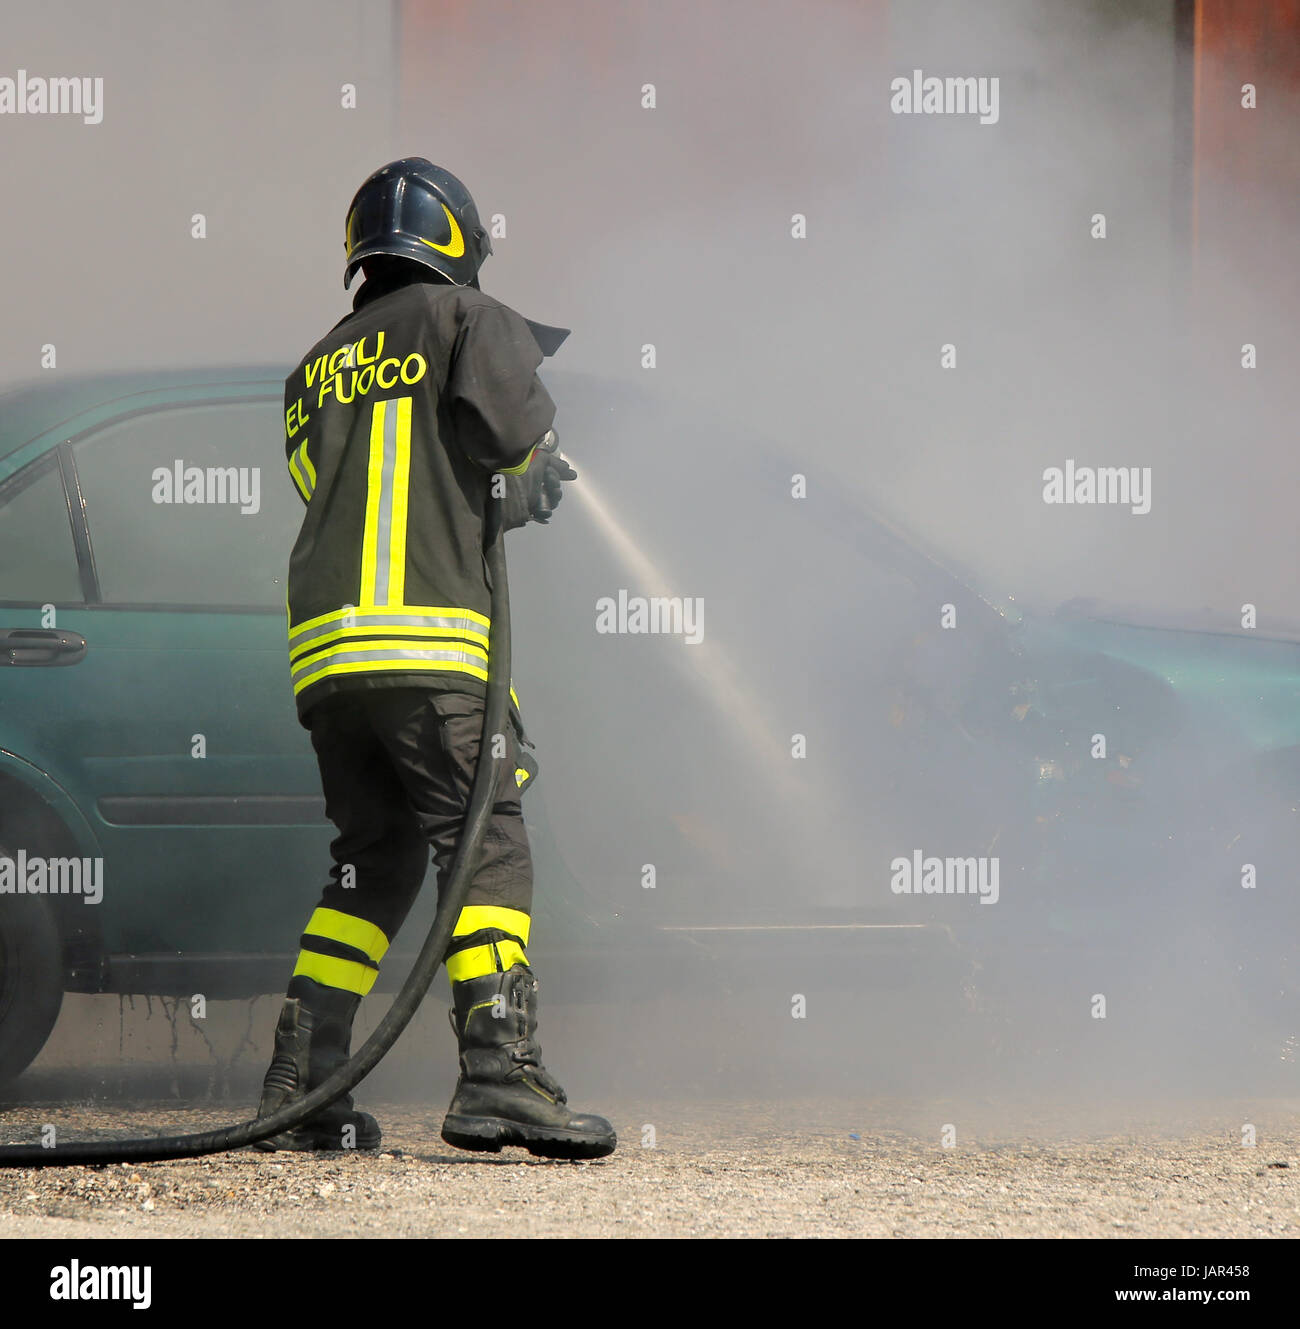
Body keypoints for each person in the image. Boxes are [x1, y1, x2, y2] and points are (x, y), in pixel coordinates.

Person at [253, 157, 615, 1160]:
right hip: (429, 642)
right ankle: (499, 1072)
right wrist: (537, 479)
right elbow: (509, 441)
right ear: (457, 246)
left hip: (328, 661)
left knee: (375, 861)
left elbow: (328, 484)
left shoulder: (314, 367)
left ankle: (300, 1081)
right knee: (483, 839)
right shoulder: (468, 320)